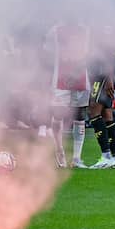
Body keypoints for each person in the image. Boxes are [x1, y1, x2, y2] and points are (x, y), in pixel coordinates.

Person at [47, 19, 91, 168]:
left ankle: (77, 158)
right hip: (60, 80)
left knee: (79, 116)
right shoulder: (55, 30)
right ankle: (59, 151)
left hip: (81, 80)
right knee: (58, 115)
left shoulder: (85, 29)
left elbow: (89, 55)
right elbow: (47, 54)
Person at [86, 63, 115, 169]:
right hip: (106, 73)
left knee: (93, 111)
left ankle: (106, 157)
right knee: (107, 115)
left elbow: (108, 55)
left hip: (103, 74)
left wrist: (109, 78)